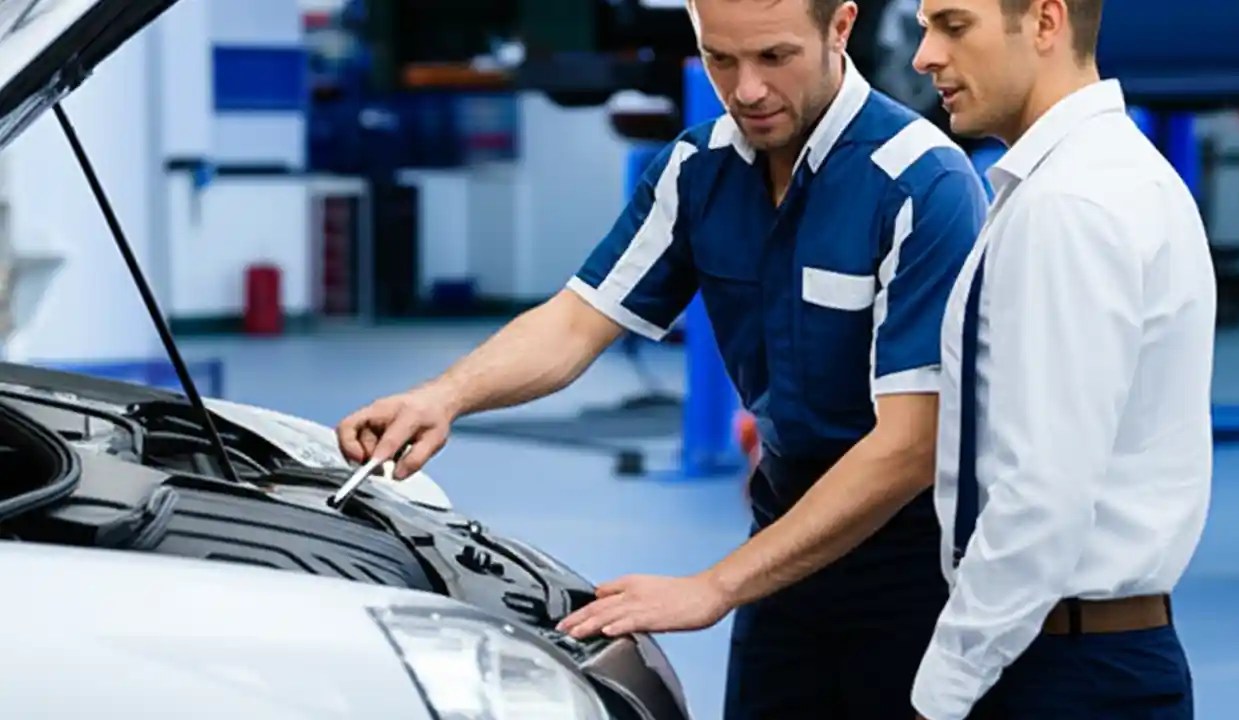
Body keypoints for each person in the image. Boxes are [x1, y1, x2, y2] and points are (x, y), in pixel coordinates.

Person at [337, 0, 988, 716]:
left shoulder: (922, 185)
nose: (746, 91)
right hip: (782, 542)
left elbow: (908, 446)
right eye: (721, 59)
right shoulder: (696, 170)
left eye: (775, 57)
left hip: (915, 560)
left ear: (839, 28)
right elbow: (578, 319)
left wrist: (713, 586)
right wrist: (445, 395)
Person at [906, 1, 1216, 718]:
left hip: (1057, 669)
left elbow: (1040, 494)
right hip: (1089, 656)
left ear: (1045, 23)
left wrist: (941, 693)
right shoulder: (1114, 177)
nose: (925, 56)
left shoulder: (1068, 206)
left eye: (953, 26)